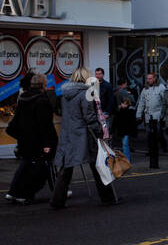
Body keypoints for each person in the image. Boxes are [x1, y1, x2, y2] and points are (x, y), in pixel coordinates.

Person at [50, 67, 120, 209]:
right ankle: (108, 198)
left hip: (68, 133)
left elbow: (61, 112)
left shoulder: (64, 94)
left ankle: (57, 201)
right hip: (85, 135)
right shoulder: (87, 93)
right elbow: (89, 117)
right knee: (98, 165)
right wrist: (100, 131)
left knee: (66, 168)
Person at [6, 72, 57, 204]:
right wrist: (47, 143)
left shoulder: (23, 98)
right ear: (43, 84)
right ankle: (24, 194)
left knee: (25, 166)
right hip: (38, 141)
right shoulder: (42, 101)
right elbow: (45, 124)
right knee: (37, 171)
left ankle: (14, 192)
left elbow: (18, 120)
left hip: (25, 139)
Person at [137, 72, 168, 169]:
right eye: (147, 78)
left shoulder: (161, 87)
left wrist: (163, 114)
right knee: (149, 134)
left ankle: (162, 147)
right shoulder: (145, 89)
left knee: (158, 133)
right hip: (148, 116)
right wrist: (139, 114)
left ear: (155, 79)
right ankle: (151, 150)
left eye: (150, 78)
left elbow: (165, 101)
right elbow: (141, 102)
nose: (149, 80)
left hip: (157, 115)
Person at [112, 91, 137, 161]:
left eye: (125, 104)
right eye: (123, 103)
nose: (123, 105)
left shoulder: (129, 111)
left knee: (125, 144)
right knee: (124, 144)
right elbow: (116, 121)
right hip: (123, 130)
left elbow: (133, 123)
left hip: (126, 130)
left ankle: (127, 159)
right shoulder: (120, 111)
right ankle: (126, 158)